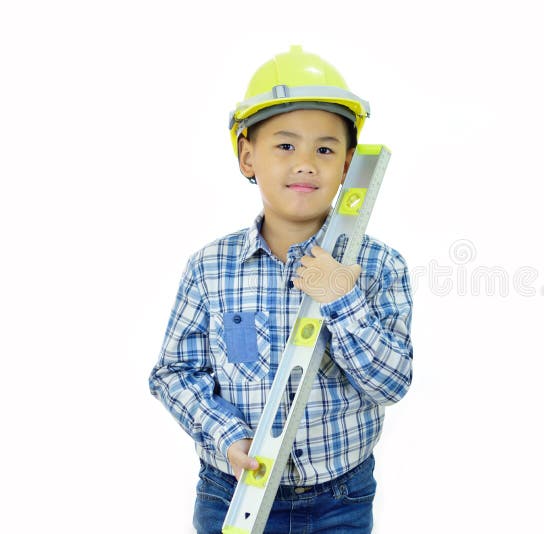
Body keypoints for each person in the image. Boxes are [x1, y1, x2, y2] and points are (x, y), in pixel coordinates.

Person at [148, 45, 414, 534]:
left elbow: (391, 383)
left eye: (326, 149)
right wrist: (227, 437)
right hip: (230, 490)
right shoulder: (211, 267)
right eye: (286, 146)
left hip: (341, 495)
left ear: (350, 164)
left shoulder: (379, 266)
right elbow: (174, 373)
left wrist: (341, 298)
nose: (306, 163)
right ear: (248, 156)